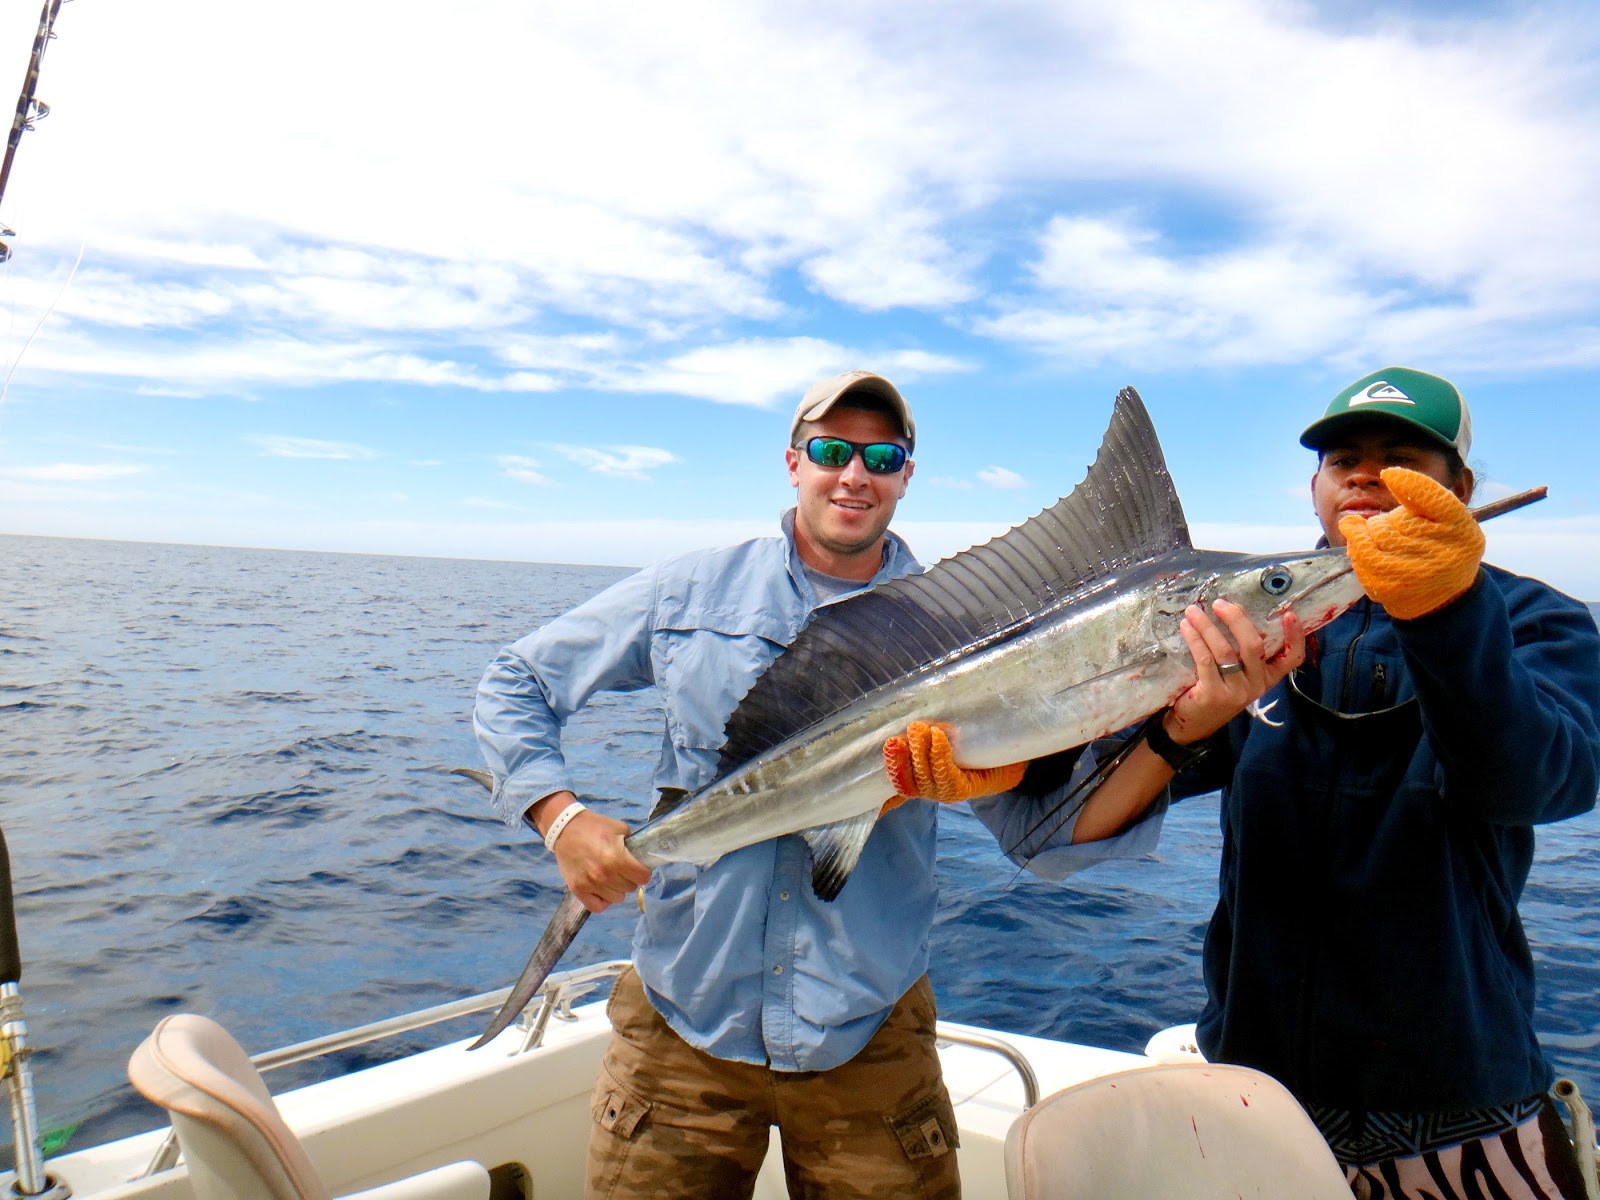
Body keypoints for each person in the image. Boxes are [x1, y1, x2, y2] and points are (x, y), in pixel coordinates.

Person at [941, 366, 1600, 1197]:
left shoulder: (1539, 622)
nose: (1366, 471)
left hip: (1465, 1107)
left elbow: (1537, 783)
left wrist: (1444, 614)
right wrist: (1024, 756)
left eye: (1403, 456)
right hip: (1257, 1094)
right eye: (1343, 458)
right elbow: (1062, 825)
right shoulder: (1244, 624)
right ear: (1315, 488)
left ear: (1458, 489)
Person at [475, 370, 1130, 1199]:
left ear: (906, 476)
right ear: (794, 463)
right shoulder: (688, 591)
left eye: (882, 456)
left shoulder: (964, 630)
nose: (855, 474)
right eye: (832, 450)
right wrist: (560, 817)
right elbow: (515, 680)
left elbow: (1041, 832)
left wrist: (1160, 738)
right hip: (683, 1024)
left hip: (869, 1031)